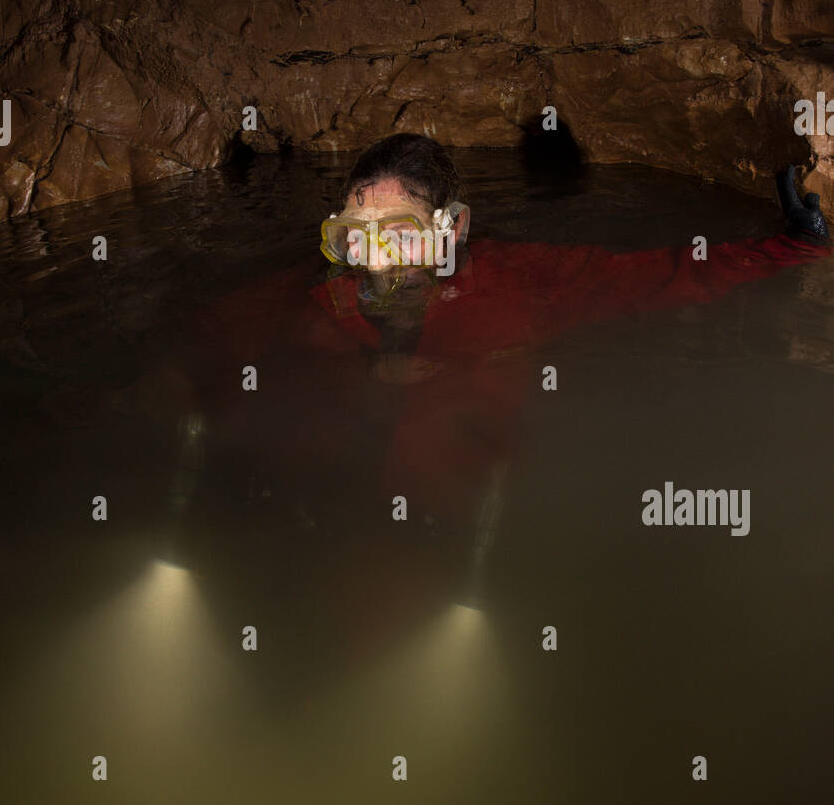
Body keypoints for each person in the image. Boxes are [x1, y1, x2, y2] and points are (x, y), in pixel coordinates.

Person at [182, 134, 829, 532]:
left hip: (441, 514)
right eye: (354, 237)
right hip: (310, 503)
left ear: (451, 230)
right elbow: (207, 333)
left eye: (400, 234)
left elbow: (655, 277)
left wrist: (790, 248)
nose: (373, 260)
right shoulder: (319, 287)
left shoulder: (523, 280)